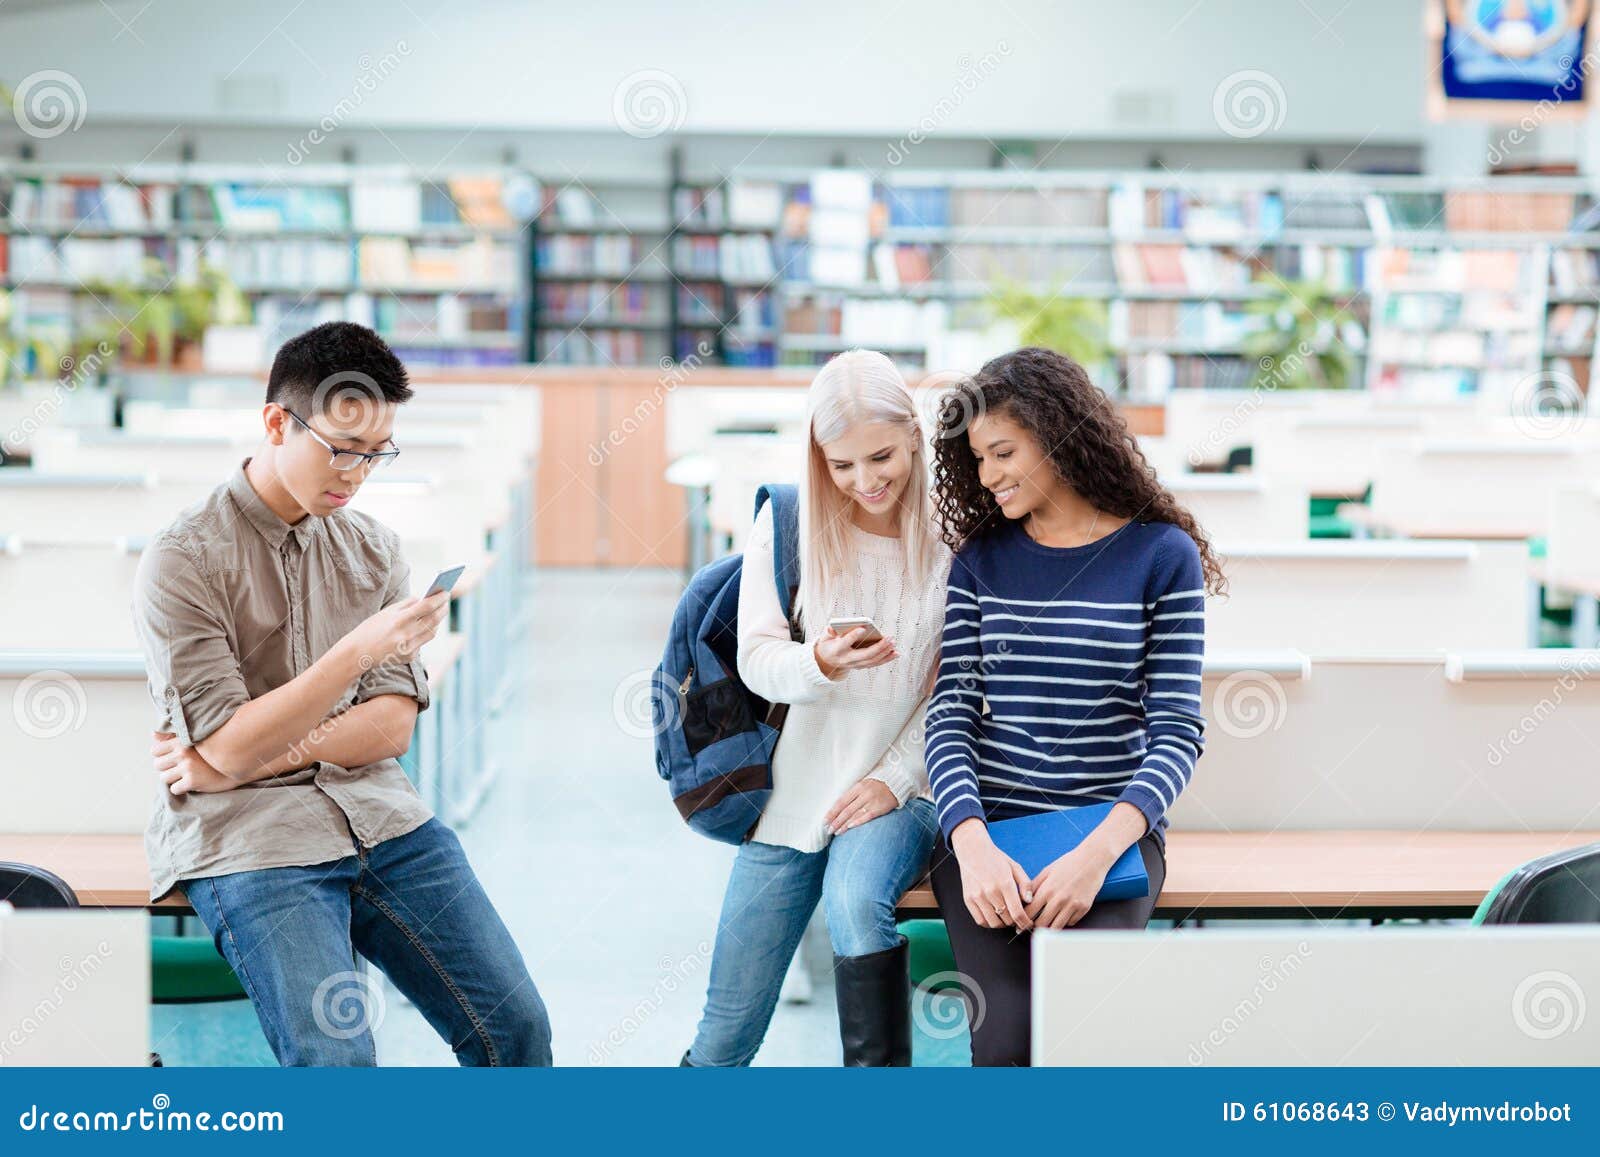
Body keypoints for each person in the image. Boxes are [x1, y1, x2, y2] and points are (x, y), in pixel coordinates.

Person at [131, 321, 552, 1067]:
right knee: (338, 1068)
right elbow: (227, 740)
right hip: (252, 839)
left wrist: (239, 758)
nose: (357, 473)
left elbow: (389, 728)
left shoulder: (374, 550)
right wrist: (356, 653)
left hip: (381, 817)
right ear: (276, 423)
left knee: (517, 1029)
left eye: (376, 452)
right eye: (341, 448)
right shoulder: (182, 560)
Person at [924, 346, 1225, 1066]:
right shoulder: (980, 559)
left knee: (1083, 1039)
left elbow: (1177, 731)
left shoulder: (1162, 556)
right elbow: (950, 715)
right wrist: (972, 846)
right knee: (1006, 1042)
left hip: (1109, 836)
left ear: (1058, 436)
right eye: (979, 458)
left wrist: (1095, 857)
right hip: (991, 837)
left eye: (1003, 453)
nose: (987, 475)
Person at [682, 350, 951, 1066]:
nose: (866, 481)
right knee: (725, 1029)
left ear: (915, 435)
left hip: (904, 788)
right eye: (842, 465)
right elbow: (757, 660)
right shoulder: (789, 521)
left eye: (882, 457)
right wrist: (820, 662)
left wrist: (896, 778)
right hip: (793, 793)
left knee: (856, 906)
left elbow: (961, 688)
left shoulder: (956, 532)